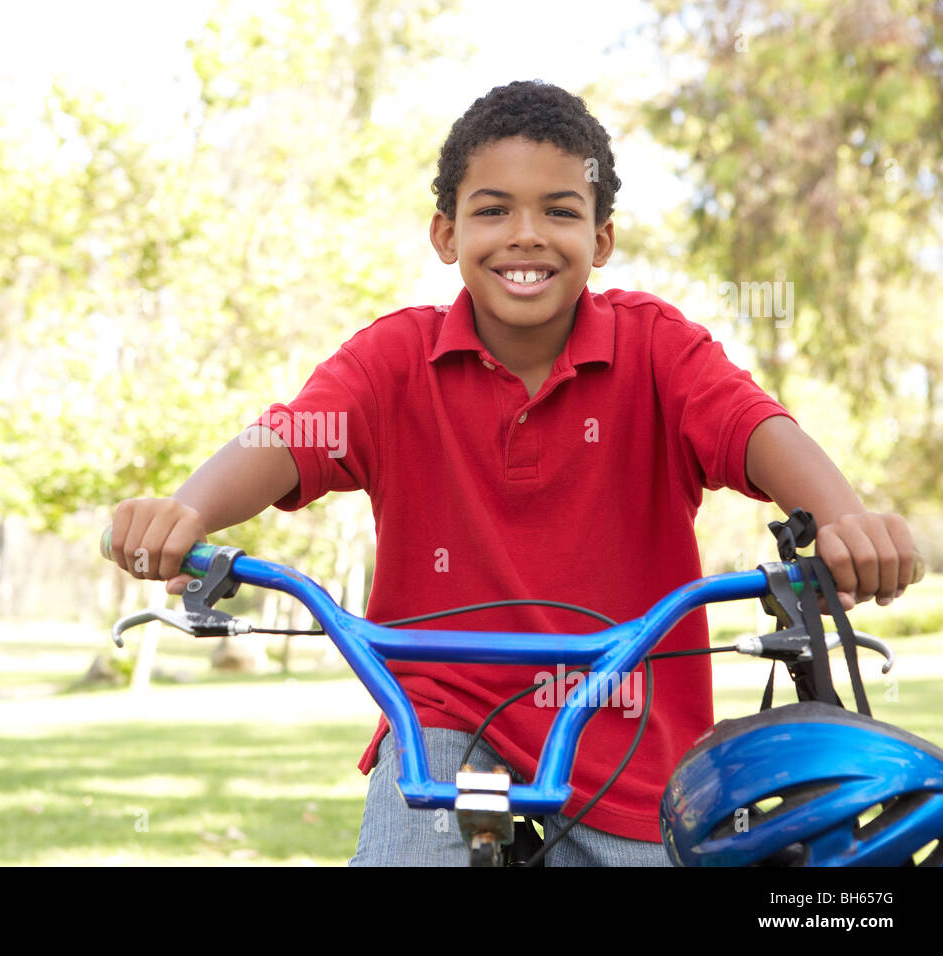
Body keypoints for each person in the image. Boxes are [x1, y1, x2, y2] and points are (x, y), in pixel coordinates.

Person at [104, 80, 918, 865]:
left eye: (560, 211)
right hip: (441, 721)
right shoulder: (394, 361)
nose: (525, 234)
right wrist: (188, 511)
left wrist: (843, 519)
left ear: (600, 240)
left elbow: (755, 429)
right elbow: (288, 438)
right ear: (446, 234)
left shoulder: (657, 350)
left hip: (628, 738)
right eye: (492, 209)